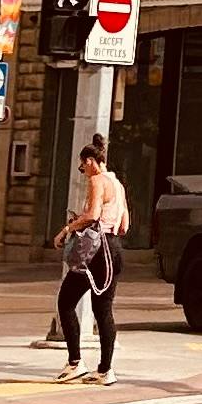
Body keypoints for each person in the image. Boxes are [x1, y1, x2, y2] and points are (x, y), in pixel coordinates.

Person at [53, 132, 128, 383]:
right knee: (103, 310)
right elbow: (124, 225)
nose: (83, 173)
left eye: (82, 168)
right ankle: (105, 369)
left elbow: (93, 215)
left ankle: (75, 362)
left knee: (66, 302)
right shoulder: (118, 185)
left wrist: (68, 228)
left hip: (96, 251)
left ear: (89, 162)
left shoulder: (97, 181)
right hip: (114, 248)